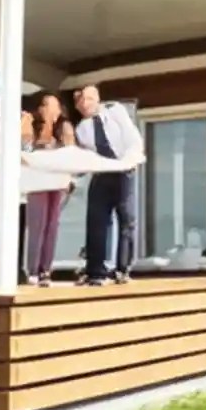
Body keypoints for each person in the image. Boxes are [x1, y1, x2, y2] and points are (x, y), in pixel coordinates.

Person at [73, 84, 143, 285]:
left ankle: (123, 269)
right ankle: (96, 270)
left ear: (97, 99)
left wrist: (128, 162)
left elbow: (132, 139)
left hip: (123, 170)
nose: (85, 104)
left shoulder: (116, 112)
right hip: (102, 173)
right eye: (81, 101)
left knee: (127, 220)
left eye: (89, 99)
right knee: (96, 220)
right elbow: (88, 155)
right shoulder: (82, 129)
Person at [21, 94, 74, 287]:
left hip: (57, 181)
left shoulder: (63, 129)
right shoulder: (32, 127)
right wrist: (26, 127)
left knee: (52, 225)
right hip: (37, 181)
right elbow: (25, 151)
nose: (51, 110)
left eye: (54, 107)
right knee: (37, 224)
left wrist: (69, 179)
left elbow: (71, 154)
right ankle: (33, 270)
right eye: (47, 106)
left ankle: (46, 270)